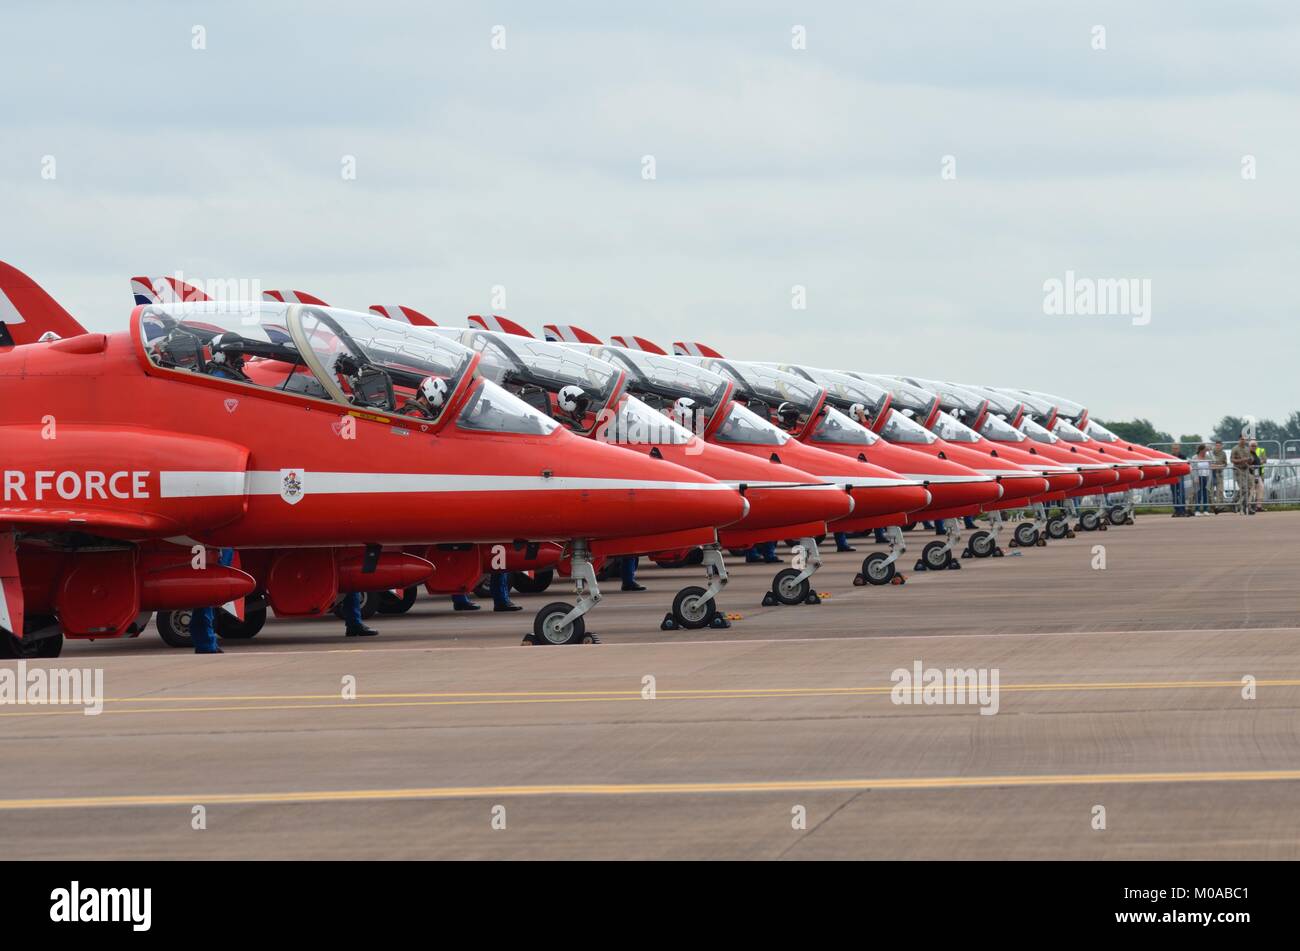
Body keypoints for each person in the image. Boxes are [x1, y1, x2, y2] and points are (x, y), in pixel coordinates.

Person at [190, 547, 236, 654]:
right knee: (207, 596)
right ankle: (206, 644)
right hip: (208, 546)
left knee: (209, 598)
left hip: (215, 547)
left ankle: (208, 643)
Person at [1230, 436, 1253, 515]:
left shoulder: (1247, 448)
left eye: (1245, 439)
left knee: (1249, 488)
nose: (1243, 441)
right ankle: (1234, 502)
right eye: (1242, 439)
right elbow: (1232, 460)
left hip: (1246, 470)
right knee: (1244, 488)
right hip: (1238, 470)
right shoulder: (1235, 449)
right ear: (1239, 440)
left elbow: (1250, 458)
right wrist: (1241, 460)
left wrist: (1250, 460)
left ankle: (1245, 507)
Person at [1192, 444, 1211, 515]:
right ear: (1201, 450)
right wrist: (1195, 478)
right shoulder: (1194, 457)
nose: (1205, 452)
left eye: (1206, 450)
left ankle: (1206, 509)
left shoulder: (1208, 457)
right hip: (1198, 477)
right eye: (1204, 450)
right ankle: (1197, 510)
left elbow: (1214, 461)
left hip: (1206, 477)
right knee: (1198, 494)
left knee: (1206, 494)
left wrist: (1210, 452)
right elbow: (1193, 468)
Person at [1169, 442, 1187, 516]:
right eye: (1173, 448)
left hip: (1180, 477)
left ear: (1179, 449)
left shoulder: (1183, 456)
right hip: (1172, 477)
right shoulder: (1168, 456)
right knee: (1174, 494)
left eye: (1176, 448)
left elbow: (1185, 466)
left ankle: (1182, 510)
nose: (1175, 450)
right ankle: (1176, 510)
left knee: (1181, 494)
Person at [1210, 440, 1228, 512]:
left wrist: (1221, 466)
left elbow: (1225, 463)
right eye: (1217, 445)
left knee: (1220, 491)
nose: (1218, 447)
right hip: (1211, 474)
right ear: (1215, 446)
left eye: (1219, 445)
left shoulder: (1223, 453)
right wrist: (1215, 466)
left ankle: (1219, 506)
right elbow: (1209, 463)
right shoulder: (1211, 453)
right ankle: (1212, 506)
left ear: (1221, 446)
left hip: (1219, 474)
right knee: (1210, 491)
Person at [1251, 440, 1267, 512]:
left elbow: (1264, 460)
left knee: (1261, 488)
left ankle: (1258, 506)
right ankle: (1249, 506)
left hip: (1258, 474)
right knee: (1251, 490)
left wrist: (1260, 462)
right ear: (1249, 446)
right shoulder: (1248, 453)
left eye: (1255, 446)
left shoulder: (1257, 453)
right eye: (1252, 446)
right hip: (1251, 474)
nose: (1254, 447)